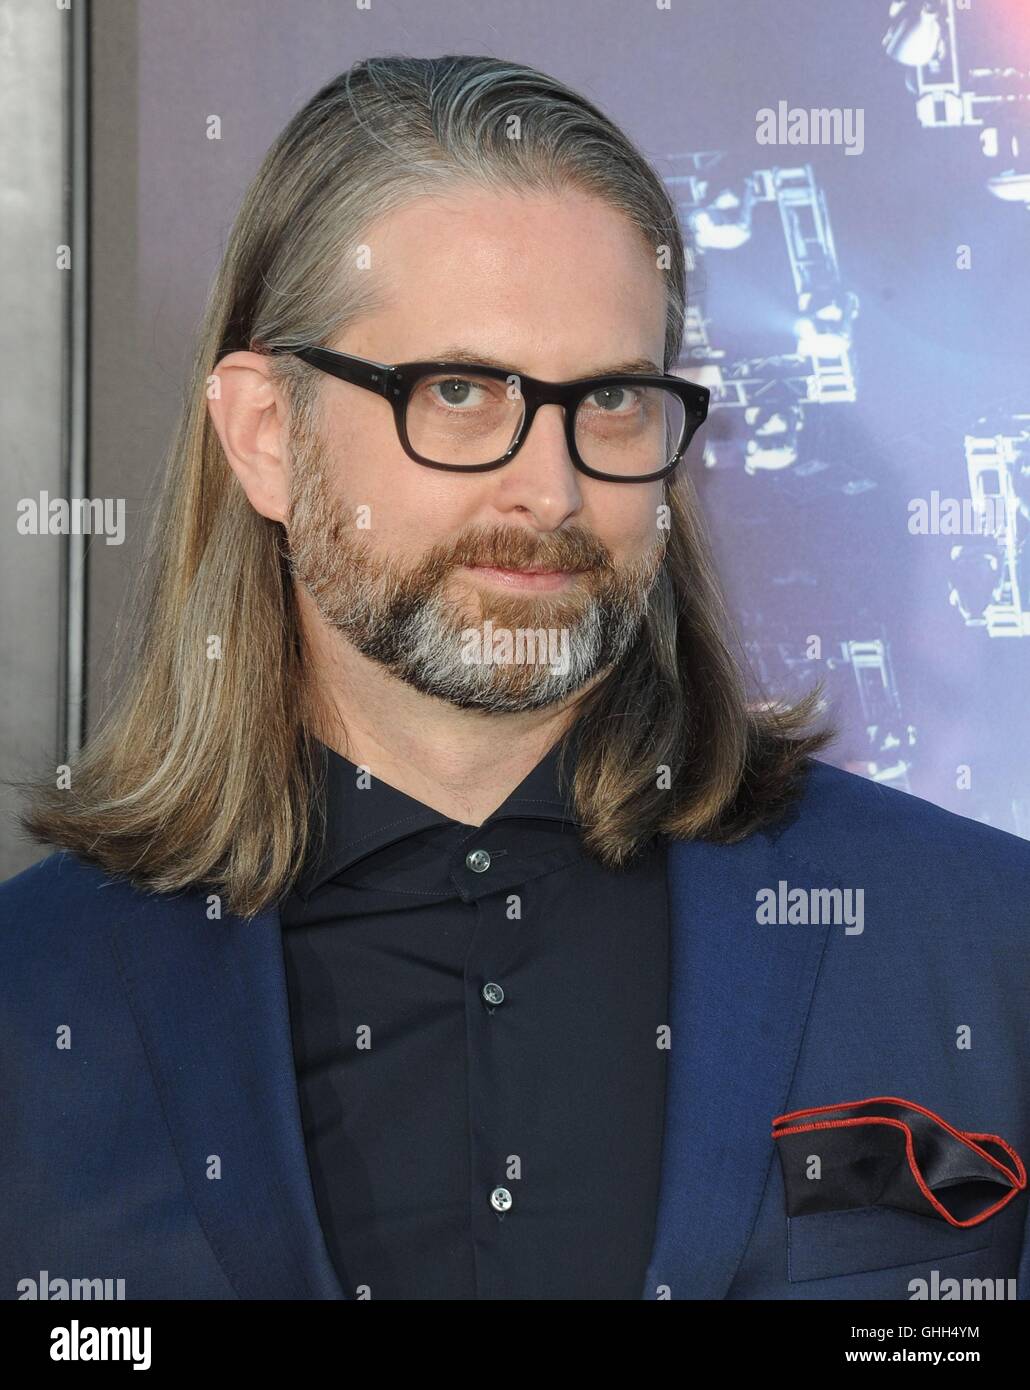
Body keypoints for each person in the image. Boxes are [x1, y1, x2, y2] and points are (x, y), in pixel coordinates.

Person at [2, 54, 1028, 1302]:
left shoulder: (979, 941)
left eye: (608, 403)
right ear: (267, 437)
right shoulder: (34, 999)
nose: (550, 489)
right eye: (457, 391)